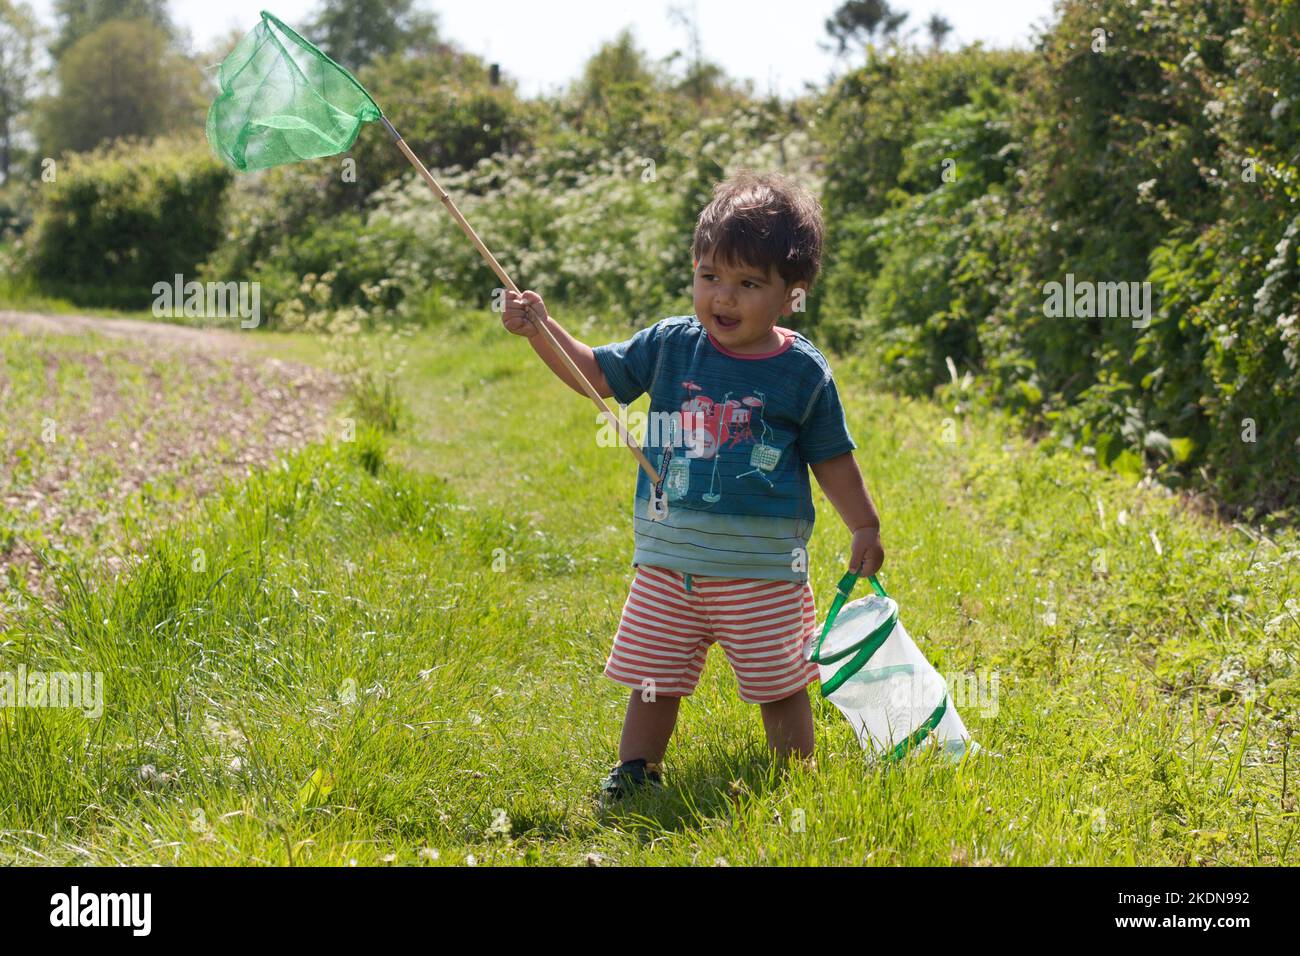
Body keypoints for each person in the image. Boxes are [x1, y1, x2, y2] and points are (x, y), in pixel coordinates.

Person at [500, 170, 884, 806]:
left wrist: (863, 524)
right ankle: (635, 772)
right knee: (653, 679)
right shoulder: (671, 346)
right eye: (710, 276)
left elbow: (831, 457)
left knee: (780, 682)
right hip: (668, 565)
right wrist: (542, 327)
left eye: (748, 284)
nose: (722, 298)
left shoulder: (801, 372)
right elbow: (596, 375)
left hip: (761, 570)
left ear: (793, 294)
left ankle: (795, 781)